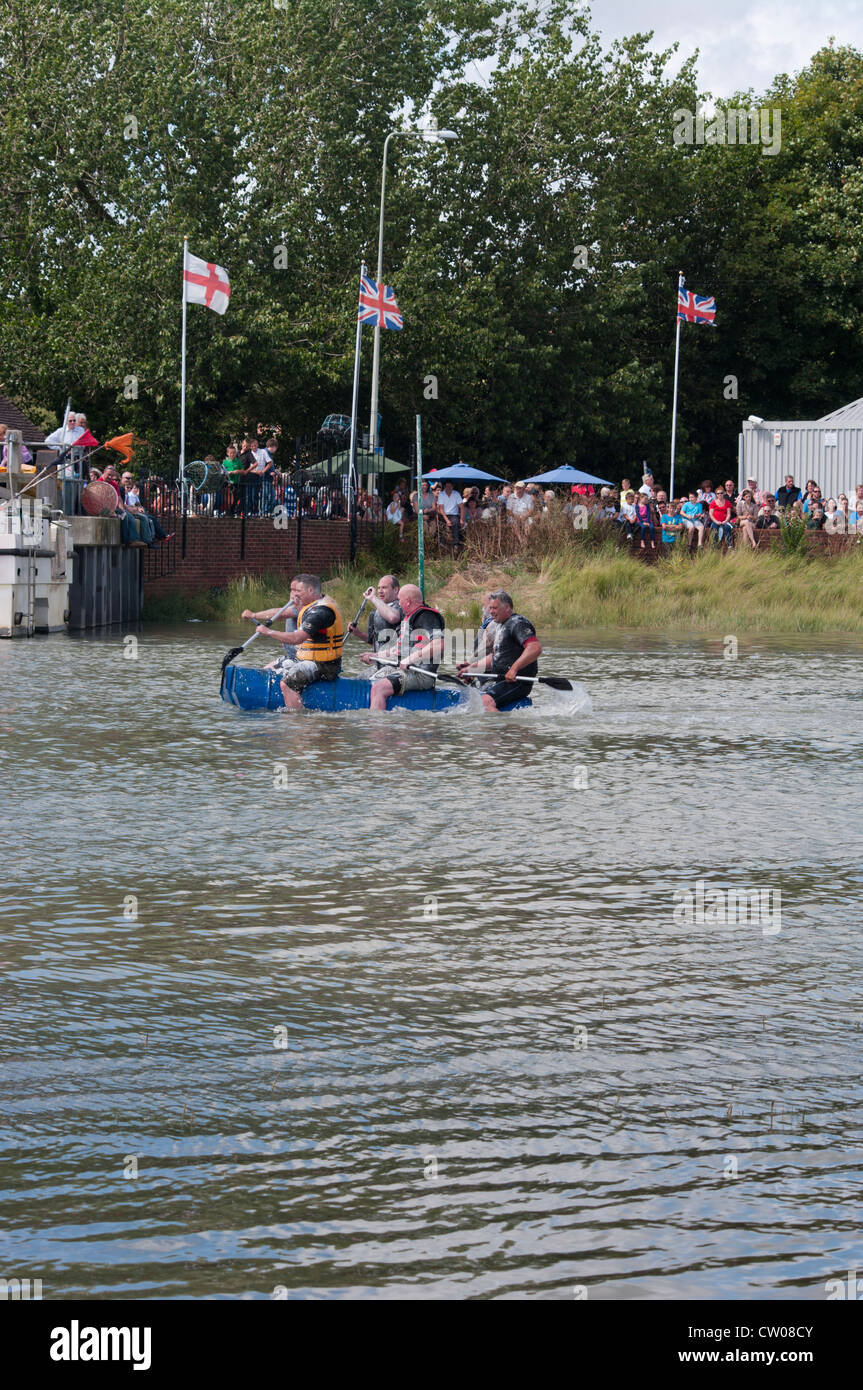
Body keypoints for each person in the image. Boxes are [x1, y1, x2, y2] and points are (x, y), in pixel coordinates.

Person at [243, 574, 344, 709]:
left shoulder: (321, 611)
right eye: (293, 591)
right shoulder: (308, 605)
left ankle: (296, 721)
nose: (294, 595)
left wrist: (268, 632)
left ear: (310, 591)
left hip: (325, 665)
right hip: (305, 659)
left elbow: (297, 638)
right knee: (270, 668)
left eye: (298, 591)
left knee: (288, 683)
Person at [362, 583, 445, 709]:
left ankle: (377, 726)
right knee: (369, 680)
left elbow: (439, 644)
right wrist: (375, 656)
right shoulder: (409, 618)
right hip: (405, 671)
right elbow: (398, 651)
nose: (398, 604)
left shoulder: (427, 616)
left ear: (408, 601)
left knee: (379, 688)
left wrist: (410, 659)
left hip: (421, 675)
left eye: (400, 600)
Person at [457, 590, 542, 712]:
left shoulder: (518, 623)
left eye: (495, 608)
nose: (491, 611)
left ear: (507, 607)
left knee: (484, 703)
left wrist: (514, 669)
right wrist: (472, 668)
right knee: (474, 699)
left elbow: (535, 648)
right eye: (490, 608)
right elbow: (497, 656)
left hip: (517, 682)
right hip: (501, 680)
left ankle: (500, 730)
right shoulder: (501, 625)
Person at [348, 575, 403, 651]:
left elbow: (393, 617)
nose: (380, 591)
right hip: (380, 660)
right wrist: (359, 634)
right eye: (379, 588)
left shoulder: (402, 606)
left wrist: (373, 598)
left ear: (395, 590)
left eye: (384, 587)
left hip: (396, 659)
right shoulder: (375, 613)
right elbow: (374, 642)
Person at [437, 479, 464, 551]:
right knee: (440, 524)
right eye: (446, 486)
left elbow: (462, 507)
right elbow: (441, 509)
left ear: (452, 486)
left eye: (450, 486)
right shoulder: (441, 494)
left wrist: (461, 519)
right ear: (444, 487)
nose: (448, 488)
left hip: (453, 515)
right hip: (443, 514)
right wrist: (447, 520)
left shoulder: (456, 494)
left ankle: (456, 543)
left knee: (455, 522)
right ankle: (441, 542)